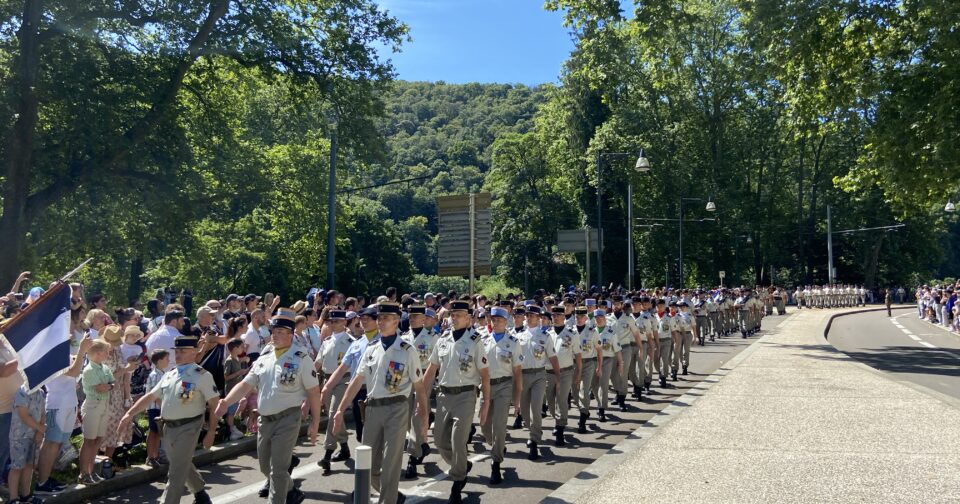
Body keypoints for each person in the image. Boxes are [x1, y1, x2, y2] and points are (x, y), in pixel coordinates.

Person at [215, 308, 322, 504]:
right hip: (265, 420)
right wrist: (226, 401)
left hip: (288, 418)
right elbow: (245, 385)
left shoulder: (301, 358)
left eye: (282, 332)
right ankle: (292, 492)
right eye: (274, 331)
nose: (276, 335)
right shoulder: (264, 359)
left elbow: (314, 392)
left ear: (291, 334)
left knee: (279, 470)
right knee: (266, 467)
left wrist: (315, 422)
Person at [332, 302, 429, 504]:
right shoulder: (371, 348)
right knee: (368, 465)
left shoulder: (407, 350)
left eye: (386, 318)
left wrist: (424, 415)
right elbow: (357, 380)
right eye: (379, 318)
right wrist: (340, 410)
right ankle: (393, 496)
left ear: (396, 321)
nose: (381, 322)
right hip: (373, 409)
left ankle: (389, 500)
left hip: (397, 408)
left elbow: (419, 387)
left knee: (390, 463)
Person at [119, 334, 218, 504]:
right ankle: (200, 493)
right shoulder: (170, 374)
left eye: (183, 351)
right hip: (167, 428)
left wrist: (211, 432)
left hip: (189, 426)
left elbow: (215, 404)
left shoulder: (202, 375)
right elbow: (150, 396)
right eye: (176, 350)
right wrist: (129, 414)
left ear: (194, 352)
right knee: (181, 463)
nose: (177, 354)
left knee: (176, 472)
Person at [422, 300, 492, 504]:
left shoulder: (475, 341)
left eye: (459, 315)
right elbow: (431, 370)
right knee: (439, 441)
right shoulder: (443, 339)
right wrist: (422, 398)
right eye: (452, 314)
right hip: (443, 396)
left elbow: (485, 376)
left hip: (465, 396)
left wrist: (485, 403)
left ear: (469, 318)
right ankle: (461, 465)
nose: (454, 318)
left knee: (458, 440)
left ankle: (457, 482)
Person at [35, 335, 92, 495]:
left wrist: (81, 353)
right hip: (56, 405)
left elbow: (75, 374)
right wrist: (81, 350)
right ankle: (41, 482)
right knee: (51, 444)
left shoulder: (66, 356)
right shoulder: (50, 358)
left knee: (58, 445)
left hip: (69, 404)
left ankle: (47, 478)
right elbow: (74, 371)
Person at [480, 306, 522, 483]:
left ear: (506, 322)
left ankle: (496, 463)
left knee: (499, 425)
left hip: (504, 385)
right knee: (484, 425)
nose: (495, 321)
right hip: (487, 386)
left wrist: (517, 400)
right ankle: (497, 445)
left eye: (499, 319)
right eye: (492, 319)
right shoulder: (482, 340)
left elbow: (518, 372)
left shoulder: (513, 342)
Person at [513, 304, 560, 461]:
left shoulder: (545, 336)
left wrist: (558, 377)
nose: (529, 317)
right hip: (523, 376)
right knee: (525, 411)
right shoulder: (519, 337)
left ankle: (534, 440)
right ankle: (533, 431)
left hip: (539, 375)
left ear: (539, 318)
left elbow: (553, 357)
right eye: (528, 315)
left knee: (536, 408)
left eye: (533, 315)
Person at [401, 304, 438, 479]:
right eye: (410, 316)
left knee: (417, 414)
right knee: (407, 417)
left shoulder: (432, 338)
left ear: (424, 319)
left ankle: (413, 459)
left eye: (416, 316)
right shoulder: (403, 337)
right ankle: (422, 445)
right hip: (404, 380)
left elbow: (439, 362)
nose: (412, 319)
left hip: (424, 378)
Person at [315, 309, 353, 476]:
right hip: (327, 381)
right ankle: (344, 446)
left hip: (343, 381)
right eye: (331, 321)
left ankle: (327, 454)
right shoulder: (327, 341)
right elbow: (318, 363)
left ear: (344, 322)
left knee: (332, 414)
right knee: (336, 416)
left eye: (337, 321)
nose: (333, 324)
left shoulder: (351, 342)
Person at [78, 340, 114, 484]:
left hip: (104, 404)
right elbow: (100, 388)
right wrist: (108, 386)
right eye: (105, 351)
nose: (107, 353)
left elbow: (112, 383)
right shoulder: (89, 370)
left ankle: (91, 471)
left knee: (98, 439)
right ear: (98, 353)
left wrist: (108, 386)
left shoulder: (104, 367)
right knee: (89, 441)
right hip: (93, 405)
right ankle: (83, 473)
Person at [546, 306, 579, 447]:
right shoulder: (546, 333)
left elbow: (578, 355)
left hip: (565, 372)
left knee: (562, 399)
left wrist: (578, 373)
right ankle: (557, 419)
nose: (556, 317)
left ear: (564, 317)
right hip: (548, 373)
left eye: (558, 315)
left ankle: (560, 428)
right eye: (553, 315)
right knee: (550, 403)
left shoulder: (572, 334)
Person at [8, 382, 45, 503]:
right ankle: (13, 498)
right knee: (17, 467)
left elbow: (43, 414)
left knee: (29, 466)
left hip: (34, 436)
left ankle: (26, 495)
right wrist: (39, 428)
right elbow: (23, 415)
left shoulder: (41, 393)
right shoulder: (21, 392)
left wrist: (40, 432)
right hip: (19, 437)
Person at [592, 310, 622, 422]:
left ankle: (602, 409)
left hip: (607, 360)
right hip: (593, 361)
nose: (598, 319)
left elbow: (617, 349)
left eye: (600, 317)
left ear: (604, 318)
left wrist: (621, 363)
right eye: (596, 317)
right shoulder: (591, 331)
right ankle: (599, 402)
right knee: (594, 385)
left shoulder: (610, 332)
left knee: (603, 384)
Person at [575, 306, 601, 434]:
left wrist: (599, 366)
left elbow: (599, 349)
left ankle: (582, 418)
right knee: (574, 392)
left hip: (588, 363)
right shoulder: (570, 331)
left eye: (581, 317)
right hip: (573, 364)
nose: (579, 319)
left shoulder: (592, 331)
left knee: (584, 390)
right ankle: (584, 410)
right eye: (577, 317)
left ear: (586, 318)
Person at [144, 350, 169, 467]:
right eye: (166, 359)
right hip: (154, 408)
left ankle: (156, 455)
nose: (168, 361)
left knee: (158, 432)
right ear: (159, 361)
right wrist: (163, 406)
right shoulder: (154, 375)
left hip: (160, 407)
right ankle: (150, 457)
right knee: (153, 432)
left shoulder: (163, 373)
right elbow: (154, 395)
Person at [223, 339, 248, 440]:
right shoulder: (229, 360)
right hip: (231, 390)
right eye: (241, 346)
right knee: (231, 411)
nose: (243, 348)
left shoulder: (236, 358)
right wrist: (238, 373)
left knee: (235, 409)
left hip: (237, 389)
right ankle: (231, 430)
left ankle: (234, 426)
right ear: (234, 348)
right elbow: (226, 377)